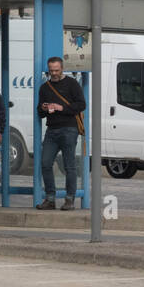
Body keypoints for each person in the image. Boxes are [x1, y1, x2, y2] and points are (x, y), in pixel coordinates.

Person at [36, 56, 85, 210]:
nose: (54, 73)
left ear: (62, 68)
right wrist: (44, 108)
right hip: (52, 130)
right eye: (51, 71)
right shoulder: (45, 87)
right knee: (45, 163)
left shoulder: (72, 83)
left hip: (69, 129)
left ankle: (69, 199)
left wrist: (61, 108)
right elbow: (40, 112)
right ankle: (50, 199)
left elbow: (81, 104)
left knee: (69, 165)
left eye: (56, 70)